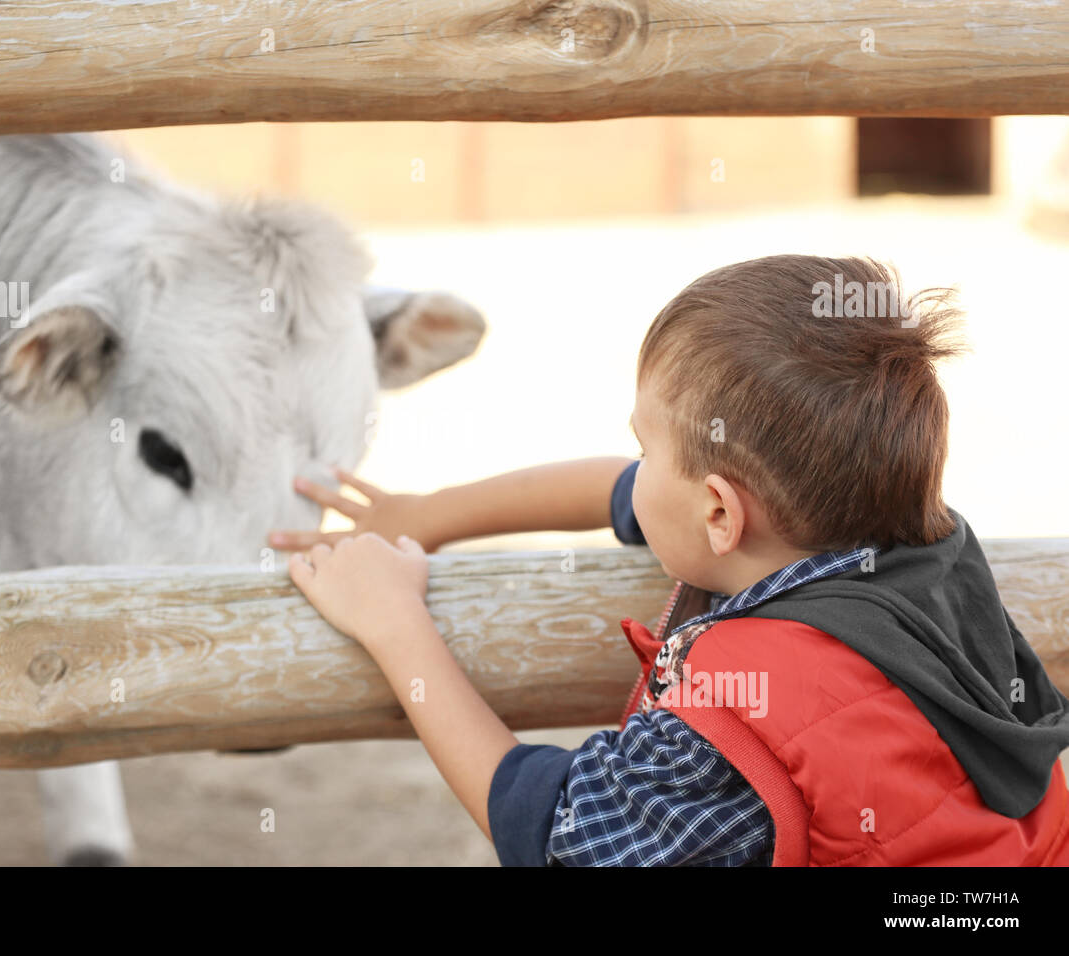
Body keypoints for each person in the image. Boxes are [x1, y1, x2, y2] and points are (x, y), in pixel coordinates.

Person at [272, 254, 1069, 866]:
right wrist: (425, 515)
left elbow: (552, 829)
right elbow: (626, 495)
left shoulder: (728, 723)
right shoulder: (926, 546)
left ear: (720, 514)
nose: (633, 469)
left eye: (643, 446)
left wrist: (394, 625)